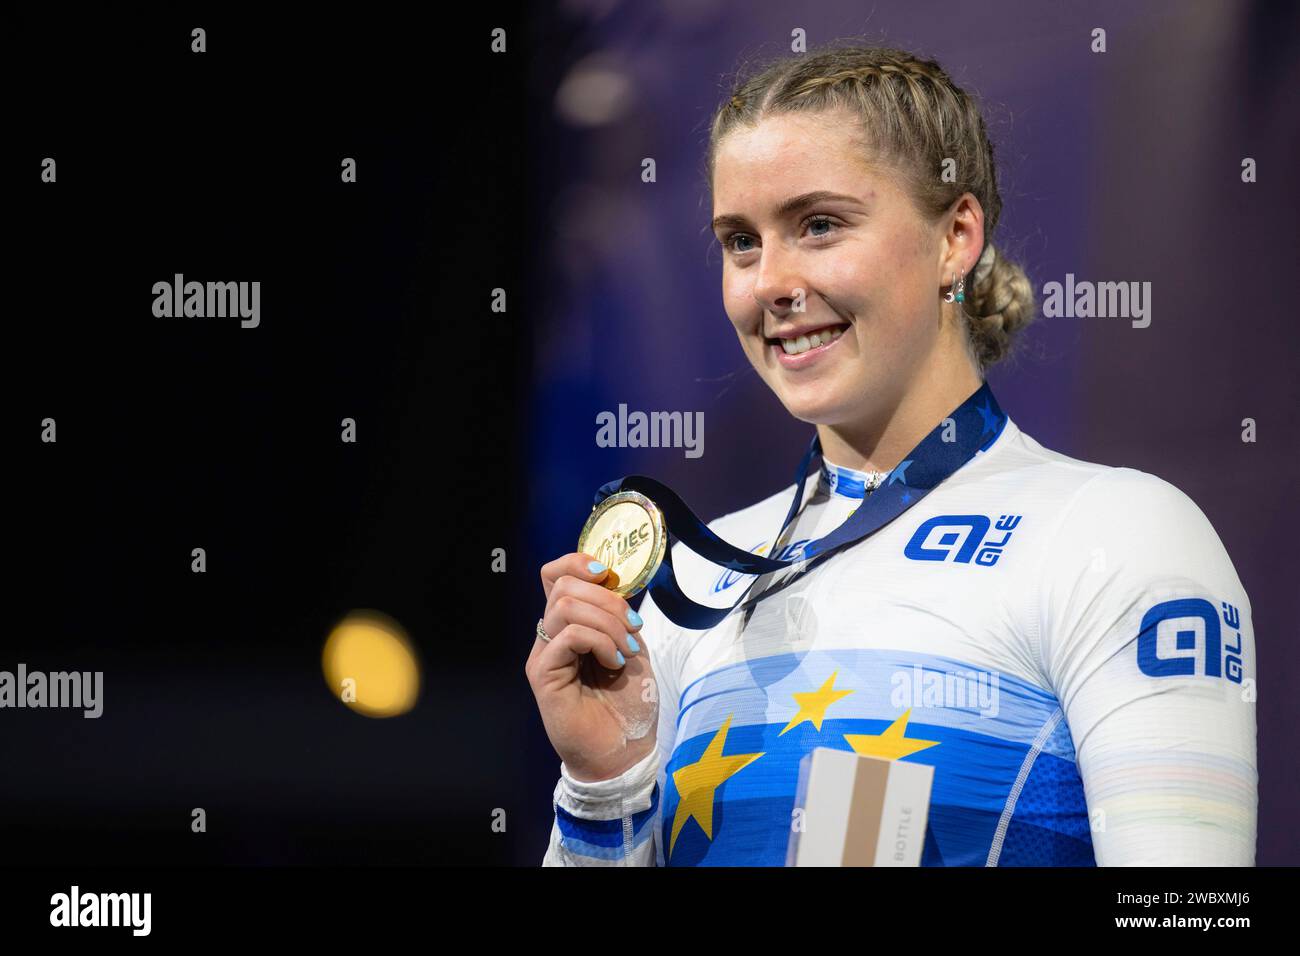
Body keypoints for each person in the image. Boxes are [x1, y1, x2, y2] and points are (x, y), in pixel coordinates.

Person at [524, 45, 1257, 866]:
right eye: (740, 241)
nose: (769, 281)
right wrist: (605, 785)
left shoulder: (1117, 534)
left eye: (820, 225)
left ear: (956, 237)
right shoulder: (690, 587)